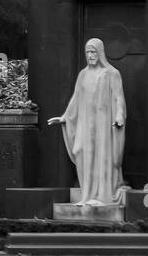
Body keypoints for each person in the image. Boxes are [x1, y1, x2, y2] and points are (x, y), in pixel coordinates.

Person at [47, 37, 128, 206]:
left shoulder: (112, 73)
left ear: (100, 53)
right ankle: (87, 194)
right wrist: (64, 117)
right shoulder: (83, 74)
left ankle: (102, 196)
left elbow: (119, 99)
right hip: (85, 123)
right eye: (87, 52)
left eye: (93, 52)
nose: (90, 55)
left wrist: (119, 116)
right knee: (80, 150)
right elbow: (76, 99)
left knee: (102, 156)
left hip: (104, 124)